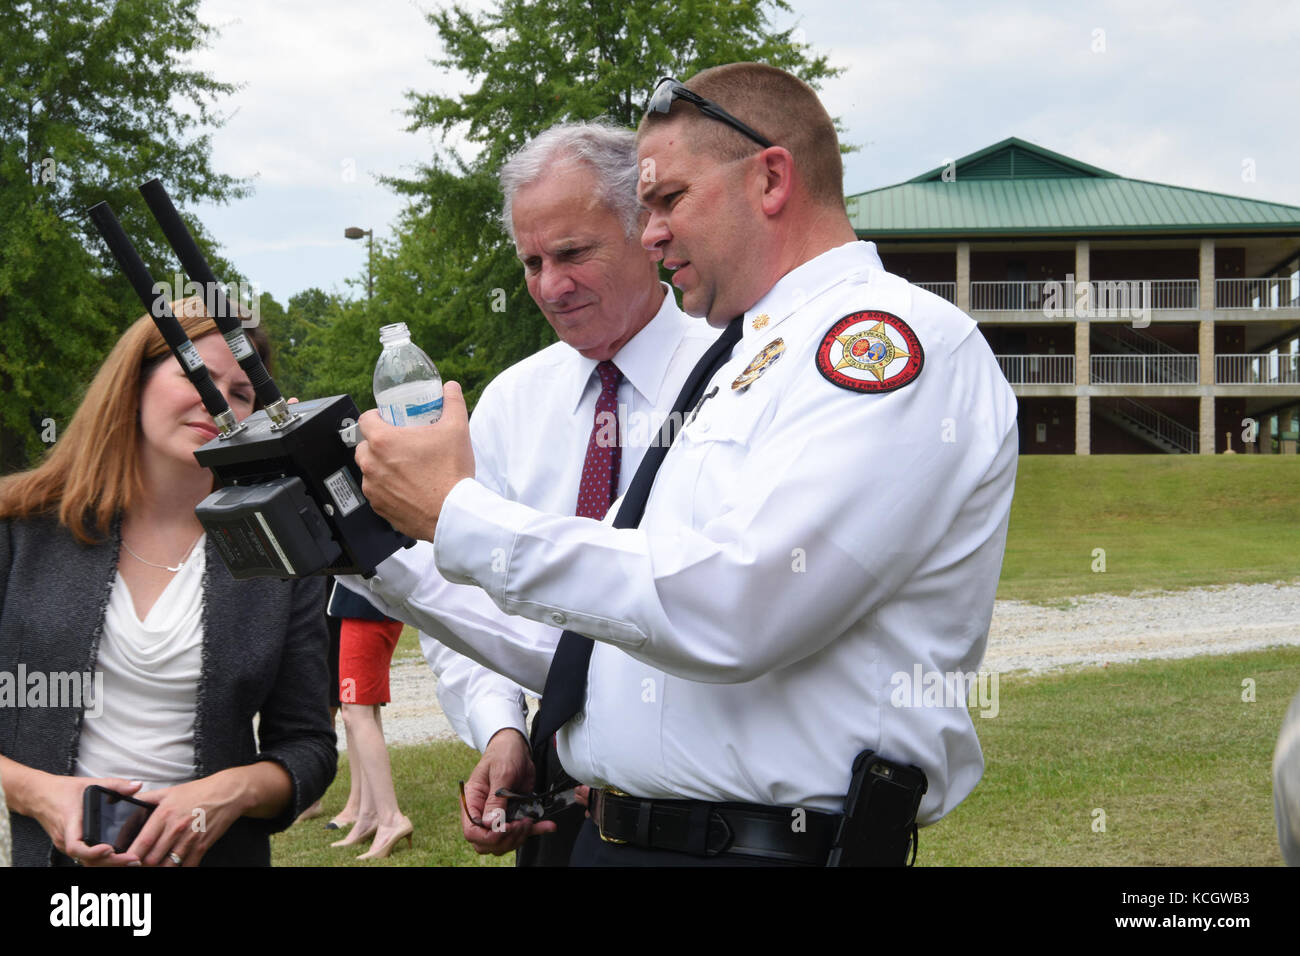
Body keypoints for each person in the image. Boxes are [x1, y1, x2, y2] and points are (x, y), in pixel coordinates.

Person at [356, 61, 1020, 865]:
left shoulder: (885, 345)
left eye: (669, 199)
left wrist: (460, 515)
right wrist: (369, 548)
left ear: (771, 179)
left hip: (765, 849)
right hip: (617, 838)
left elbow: (737, 607)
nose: (650, 231)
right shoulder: (748, 361)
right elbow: (599, 644)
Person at [337, 120, 718, 864]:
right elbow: (469, 589)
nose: (550, 285)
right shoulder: (513, 400)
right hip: (559, 820)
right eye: (531, 261)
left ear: (646, 226)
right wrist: (502, 728)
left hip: (706, 822)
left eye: (572, 253)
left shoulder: (732, 371)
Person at [0, 298, 336, 867]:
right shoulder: (21, 528)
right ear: (134, 382)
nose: (218, 403)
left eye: (241, 394)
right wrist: (42, 795)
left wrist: (226, 794)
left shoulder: (277, 546)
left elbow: (307, 747)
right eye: (197, 377)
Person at [326, 584, 412, 859]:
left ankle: (390, 818)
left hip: (367, 602)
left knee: (356, 711)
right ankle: (369, 815)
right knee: (362, 710)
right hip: (365, 601)